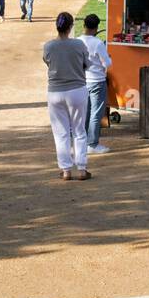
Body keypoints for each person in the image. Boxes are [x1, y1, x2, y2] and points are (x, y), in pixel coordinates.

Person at [44, 12, 91, 181]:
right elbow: (88, 64)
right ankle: (82, 168)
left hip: (55, 91)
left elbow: (47, 62)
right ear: (71, 27)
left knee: (61, 133)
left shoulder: (49, 46)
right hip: (77, 90)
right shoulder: (78, 44)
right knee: (79, 130)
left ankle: (65, 170)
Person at [81, 13, 112, 154]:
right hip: (97, 81)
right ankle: (92, 143)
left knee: (85, 112)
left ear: (84, 25)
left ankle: (83, 141)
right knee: (96, 113)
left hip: (83, 80)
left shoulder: (78, 41)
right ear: (96, 27)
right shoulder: (98, 43)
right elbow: (107, 63)